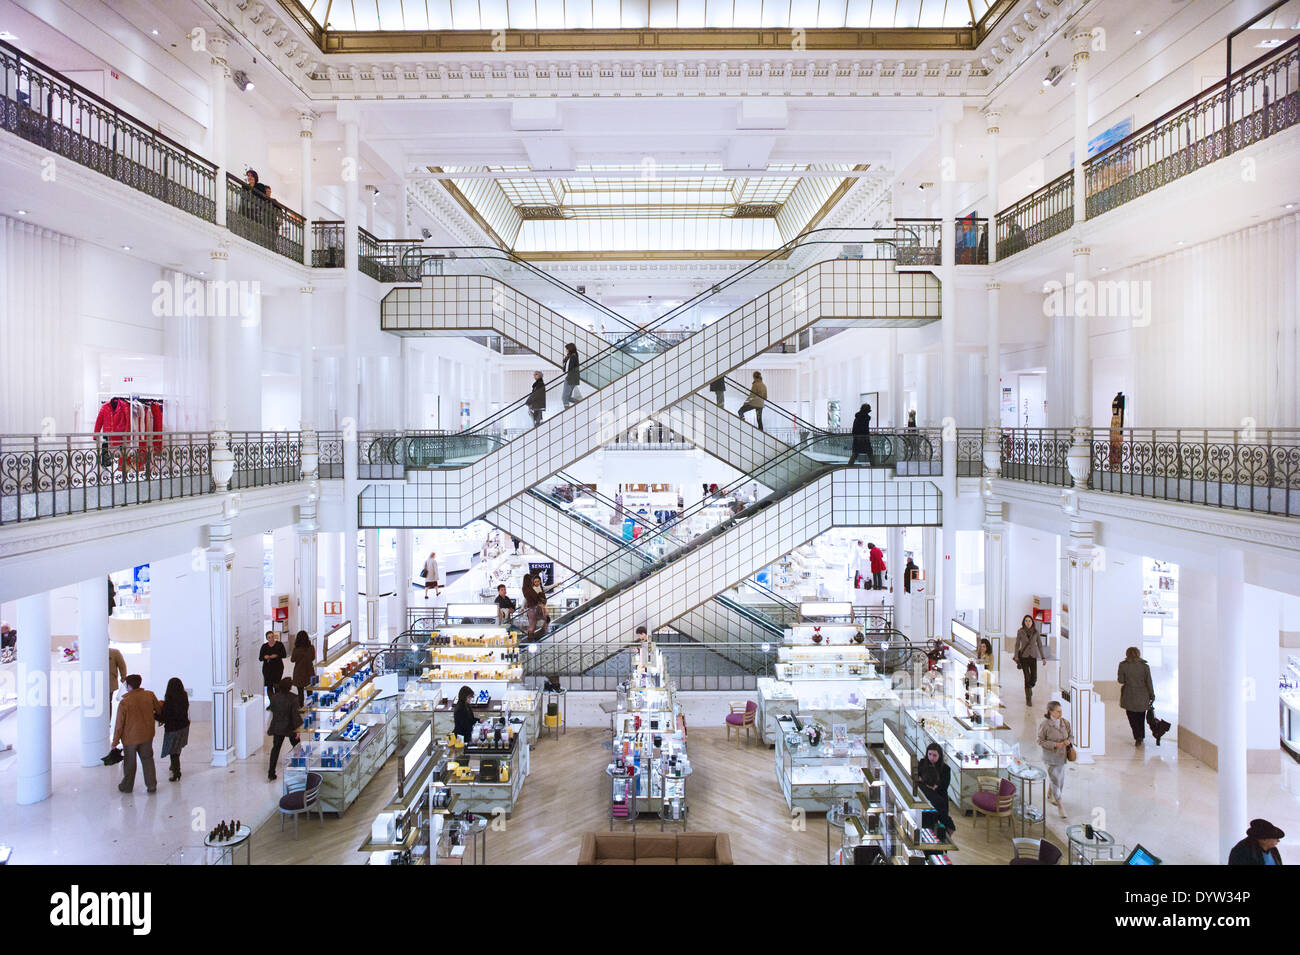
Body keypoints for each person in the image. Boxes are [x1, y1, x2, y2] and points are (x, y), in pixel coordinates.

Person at [111, 674, 162, 794]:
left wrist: (115, 742)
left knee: (130, 763)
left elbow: (119, 724)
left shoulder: (125, 702)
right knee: (148, 760)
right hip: (147, 735)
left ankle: (127, 786)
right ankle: (151, 785)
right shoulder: (149, 695)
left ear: (129, 686)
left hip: (130, 739)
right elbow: (159, 709)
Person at [1037, 701, 1072, 818]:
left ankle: (1050, 792)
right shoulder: (1045, 725)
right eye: (1058, 711)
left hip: (1062, 757)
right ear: (1051, 711)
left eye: (1061, 711)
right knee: (1056, 780)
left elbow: (1071, 735)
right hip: (1050, 757)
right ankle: (1060, 803)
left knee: (1060, 779)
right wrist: (1056, 745)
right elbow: (1040, 741)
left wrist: (1068, 741)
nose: (1060, 713)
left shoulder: (1065, 723)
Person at [1117, 646, 1156, 746]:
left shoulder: (1123, 665)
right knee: (1141, 717)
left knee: (1132, 717)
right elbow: (1149, 682)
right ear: (1138, 654)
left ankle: (1137, 736)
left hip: (1129, 694)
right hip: (1143, 695)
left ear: (1127, 654)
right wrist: (1152, 695)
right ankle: (1141, 737)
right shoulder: (1145, 666)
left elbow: (1121, 681)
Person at [266, 678, 302, 782]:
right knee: (297, 747)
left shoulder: (274, 697)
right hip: (290, 727)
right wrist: (298, 729)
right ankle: (300, 767)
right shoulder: (294, 698)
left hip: (277, 726)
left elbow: (272, 709)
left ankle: (271, 773)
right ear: (290, 687)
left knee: (275, 749)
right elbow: (295, 716)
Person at [917, 742, 957, 833]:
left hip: (940, 798)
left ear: (940, 756)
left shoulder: (946, 769)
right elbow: (918, 778)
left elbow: (943, 786)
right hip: (927, 797)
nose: (931, 757)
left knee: (943, 820)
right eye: (930, 754)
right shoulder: (923, 763)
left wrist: (929, 785)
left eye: (934, 755)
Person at [157, 677, 190, 782]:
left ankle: (176, 772)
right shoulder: (184, 696)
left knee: (173, 752)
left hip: (173, 729)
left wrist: (154, 715)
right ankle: (174, 768)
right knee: (178, 748)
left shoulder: (169, 700)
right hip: (184, 727)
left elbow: (165, 717)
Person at [1013, 614, 1046, 706]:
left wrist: (1043, 657)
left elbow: (1039, 645)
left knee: (1034, 678)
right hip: (1024, 657)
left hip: (1033, 657)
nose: (1028, 623)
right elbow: (1017, 644)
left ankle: (1030, 688)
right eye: (1026, 621)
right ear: (1024, 622)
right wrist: (1016, 656)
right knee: (1026, 677)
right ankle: (1028, 698)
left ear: (1032, 622)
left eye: (1029, 621)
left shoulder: (1036, 632)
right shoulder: (1020, 631)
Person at [259, 630, 287, 705]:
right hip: (267, 669)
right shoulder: (264, 646)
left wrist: (276, 655)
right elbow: (260, 658)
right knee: (269, 686)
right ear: (267, 638)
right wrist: (265, 657)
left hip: (278, 668)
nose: (271, 639)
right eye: (269, 637)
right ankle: (272, 703)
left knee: (277, 685)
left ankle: (277, 702)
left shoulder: (279, 644)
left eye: (272, 637)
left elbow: (284, 655)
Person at [290, 630, 316, 704]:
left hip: (299, 672)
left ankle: (301, 707)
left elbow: (292, 660)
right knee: (310, 691)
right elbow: (313, 657)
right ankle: (310, 706)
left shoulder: (296, 649)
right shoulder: (311, 648)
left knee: (300, 692)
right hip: (309, 671)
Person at [108, 644, 127, 725]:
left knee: (108, 702)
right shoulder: (93, 652)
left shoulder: (114, 652)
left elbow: (122, 665)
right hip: (96, 682)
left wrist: (123, 677)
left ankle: (107, 722)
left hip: (110, 683)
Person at [561, 343, 581, 408]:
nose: (566, 350)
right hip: (570, 378)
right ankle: (581, 403)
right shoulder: (571, 356)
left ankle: (566, 411)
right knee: (568, 398)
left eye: (567, 349)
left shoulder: (573, 357)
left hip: (570, 379)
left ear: (570, 349)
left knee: (564, 398)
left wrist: (568, 378)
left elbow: (573, 369)